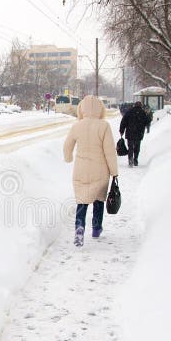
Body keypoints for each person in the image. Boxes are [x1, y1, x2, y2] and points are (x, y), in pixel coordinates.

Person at [63, 95, 118, 247]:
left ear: (81, 108)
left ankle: (79, 232)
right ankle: (96, 228)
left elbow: (67, 145)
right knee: (98, 200)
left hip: (80, 169)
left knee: (82, 202)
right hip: (100, 170)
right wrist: (114, 171)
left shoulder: (77, 126)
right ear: (100, 108)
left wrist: (68, 158)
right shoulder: (104, 126)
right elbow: (109, 151)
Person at [119, 101, 152, 167]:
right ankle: (135, 160)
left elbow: (123, 121)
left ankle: (130, 160)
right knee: (137, 148)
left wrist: (121, 130)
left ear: (134, 105)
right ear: (140, 106)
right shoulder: (143, 113)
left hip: (130, 133)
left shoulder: (129, 112)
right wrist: (148, 114)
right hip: (139, 133)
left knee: (130, 147)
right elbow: (147, 122)